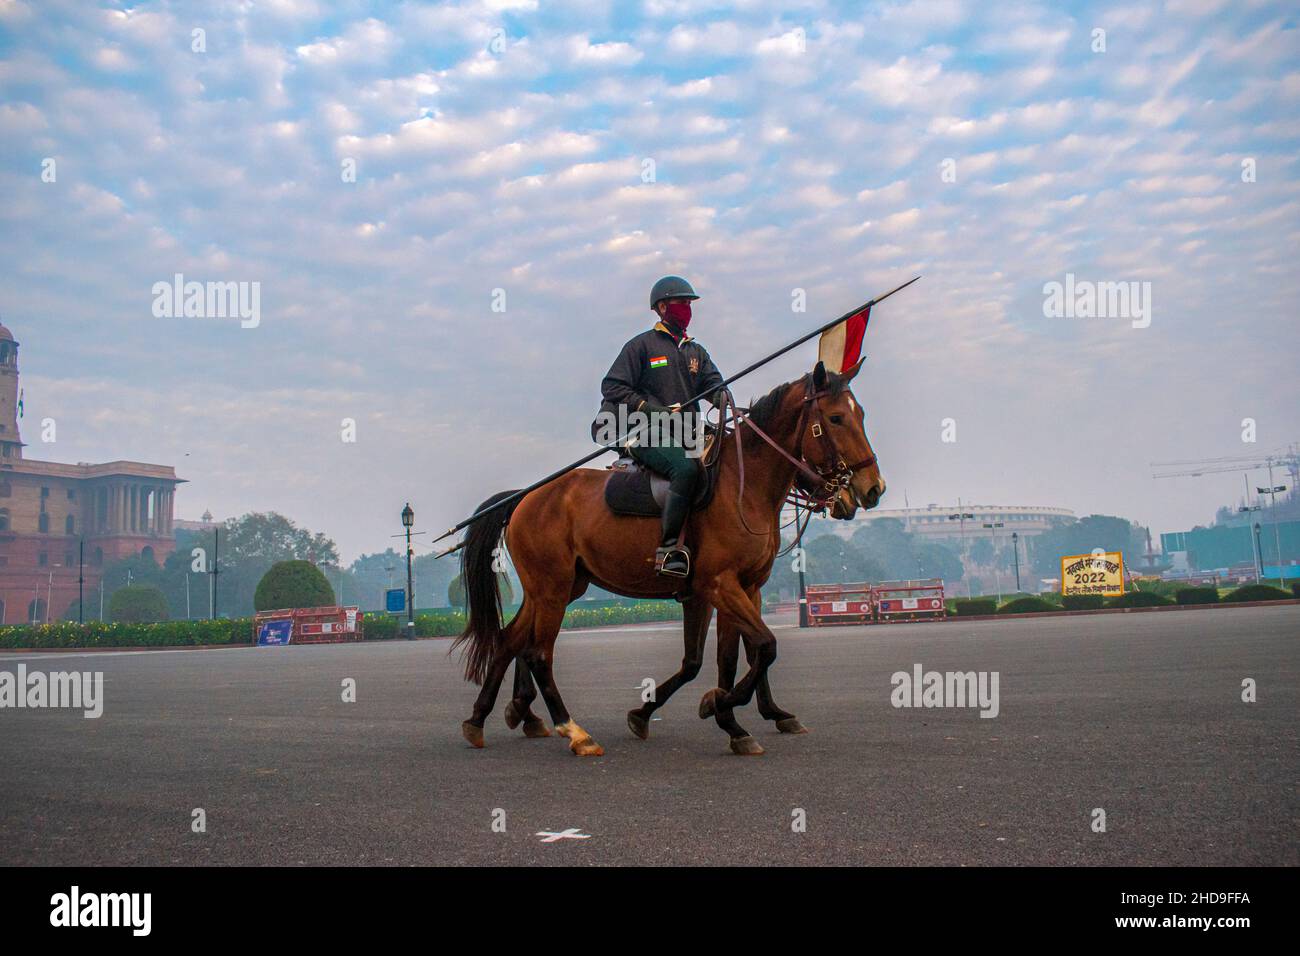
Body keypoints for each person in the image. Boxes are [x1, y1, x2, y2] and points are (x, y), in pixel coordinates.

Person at [592, 276, 725, 577]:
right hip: (642, 431)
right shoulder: (641, 346)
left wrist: (722, 397)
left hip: (686, 432)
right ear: (662, 307)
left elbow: (714, 384)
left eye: (690, 304)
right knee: (686, 469)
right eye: (682, 303)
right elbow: (612, 386)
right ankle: (668, 550)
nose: (687, 309)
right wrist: (648, 408)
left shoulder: (696, 352)